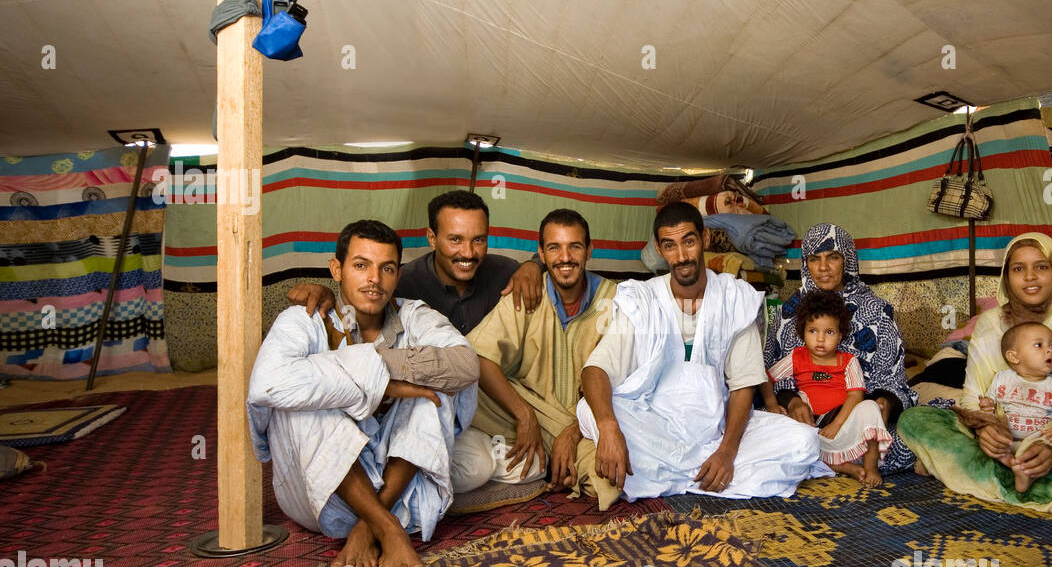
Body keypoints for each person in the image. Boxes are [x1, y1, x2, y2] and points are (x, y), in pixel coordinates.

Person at [247, 220, 479, 567]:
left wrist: (381, 366)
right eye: (360, 265)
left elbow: (465, 365)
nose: (374, 279)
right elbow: (268, 384)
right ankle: (388, 530)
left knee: (433, 393)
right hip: (322, 496)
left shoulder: (413, 315)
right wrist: (385, 384)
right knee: (303, 403)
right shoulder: (305, 320)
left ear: (397, 275)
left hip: (399, 490)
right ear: (336, 269)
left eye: (386, 268)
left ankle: (371, 523)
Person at [577, 201, 824, 507]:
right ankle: (703, 477)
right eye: (670, 245)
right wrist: (610, 428)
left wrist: (726, 452)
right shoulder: (643, 299)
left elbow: (743, 385)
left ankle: (671, 476)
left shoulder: (734, 298)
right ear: (659, 248)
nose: (681, 256)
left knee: (803, 440)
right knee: (593, 411)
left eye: (688, 242)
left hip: (716, 433)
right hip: (655, 430)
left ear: (705, 240)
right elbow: (595, 369)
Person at [896, 232, 1052, 519]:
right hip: (1000, 445)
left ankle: (986, 481)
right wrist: (983, 430)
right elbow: (974, 395)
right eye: (1018, 269)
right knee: (915, 419)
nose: (1030, 277)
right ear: (1006, 276)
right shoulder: (991, 323)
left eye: (1041, 267)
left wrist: (1050, 445)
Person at [453, 208, 620, 503]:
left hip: (585, 419)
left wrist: (574, 432)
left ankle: (537, 465)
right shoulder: (528, 291)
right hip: (520, 410)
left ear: (590, 250)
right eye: (555, 247)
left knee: (608, 480)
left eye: (575, 247)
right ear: (541, 254)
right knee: (463, 387)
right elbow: (479, 356)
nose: (565, 258)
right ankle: (536, 463)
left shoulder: (615, 299)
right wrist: (525, 415)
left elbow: (626, 384)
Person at [762, 222, 917, 475]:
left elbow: (894, 379)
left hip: (858, 419)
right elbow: (770, 372)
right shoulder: (788, 314)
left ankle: (822, 459)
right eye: (814, 259)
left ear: (847, 261)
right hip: (806, 418)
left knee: (905, 438)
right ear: (805, 263)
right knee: (759, 427)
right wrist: (791, 402)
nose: (823, 268)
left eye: (832, 257)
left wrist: (884, 404)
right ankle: (830, 458)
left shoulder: (877, 312)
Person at [287, 189, 544, 334]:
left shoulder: (506, 272)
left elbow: (555, 263)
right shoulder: (402, 284)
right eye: (455, 239)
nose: (468, 252)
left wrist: (534, 265)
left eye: (478, 240)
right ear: (431, 238)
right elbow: (360, 301)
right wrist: (326, 294)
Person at [766, 290, 893, 486]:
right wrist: (772, 403)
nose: (820, 339)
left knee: (870, 408)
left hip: (842, 424)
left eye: (829, 332)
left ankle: (870, 467)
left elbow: (855, 395)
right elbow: (766, 377)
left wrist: (837, 424)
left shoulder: (848, 361)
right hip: (812, 429)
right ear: (802, 332)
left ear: (840, 335)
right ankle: (845, 467)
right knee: (784, 432)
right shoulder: (797, 357)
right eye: (813, 331)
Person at [971, 321, 1052, 493]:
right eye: (1039, 345)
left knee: (1048, 445)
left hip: (1038, 440)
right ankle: (1011, 463)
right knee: (987, 437)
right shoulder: (1002, 379)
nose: (1050, 350)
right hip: (1008, 438)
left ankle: (1027, 474)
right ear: (1014, 357)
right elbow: (990, 406)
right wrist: (987, 406)